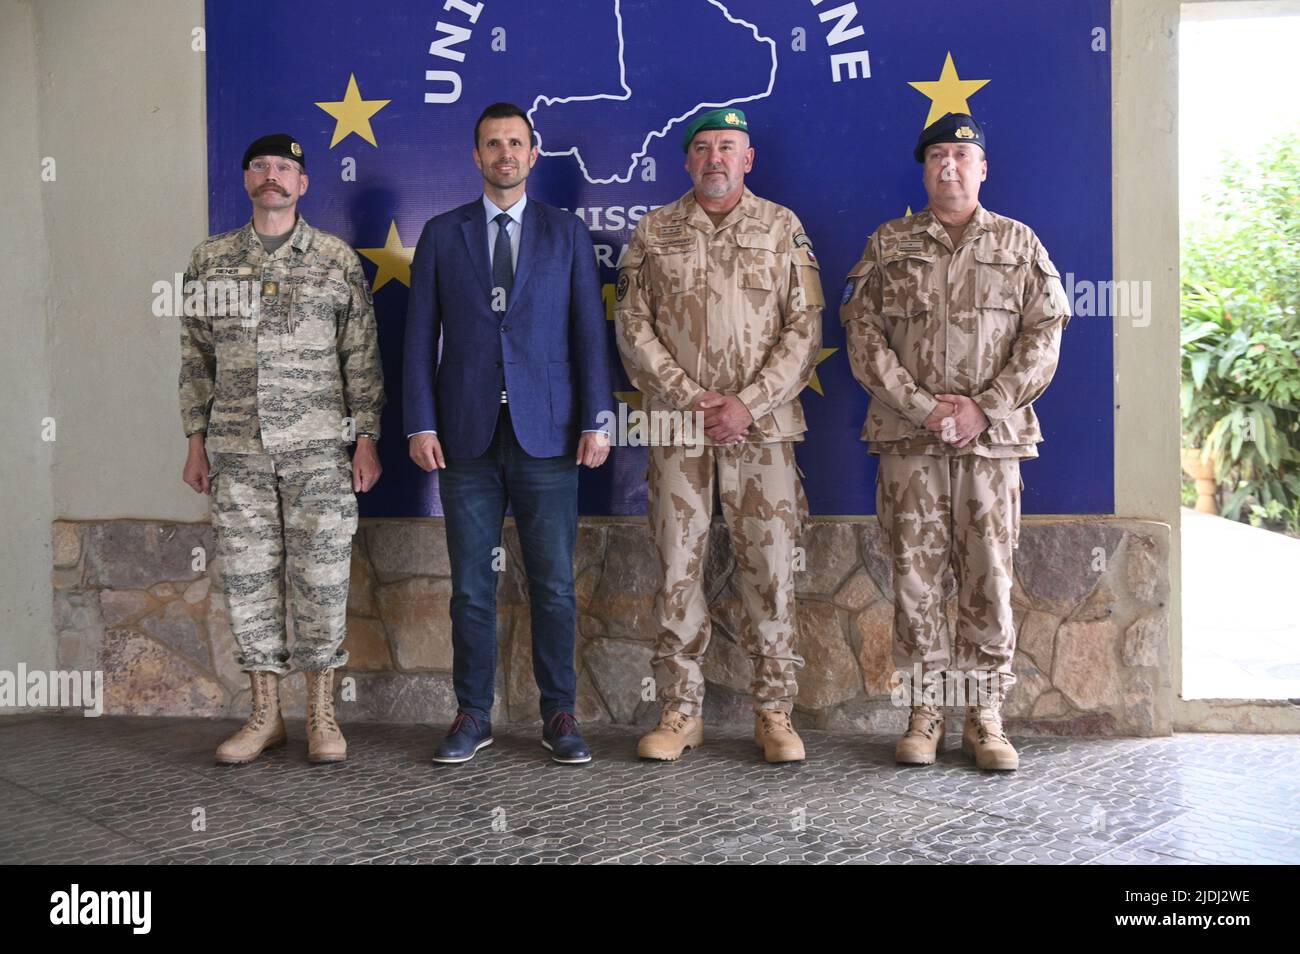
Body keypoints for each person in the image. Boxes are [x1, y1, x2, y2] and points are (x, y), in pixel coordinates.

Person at [840, 113, 1071, 771]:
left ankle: (984, 716)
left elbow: (1043, 337)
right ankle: (925, 712)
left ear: (983, 169)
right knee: (914, 576)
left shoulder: (1020, 244)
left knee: (989, 575)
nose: (949, 168)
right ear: (923, 169)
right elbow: (864, 339)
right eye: (937, 157)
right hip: (910, 445)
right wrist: (920, 408)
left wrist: (984, 409)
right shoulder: (889, 244)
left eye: (962, 158)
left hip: (990, 445)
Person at [404, 102, 613, 765]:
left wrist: (597, 419)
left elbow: (589, 335)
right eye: (492, 143)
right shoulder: (442, 233)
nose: (504, 153)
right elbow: (416, 339)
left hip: (548, 436)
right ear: (476, 156)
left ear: (533, 152)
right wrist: (420, 420)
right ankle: (472, 713)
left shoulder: (566, 233)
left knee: (552, 586)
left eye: (515, 143)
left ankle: (559, 714)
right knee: (470, 588)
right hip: (465, 437)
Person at [615, 108, 823, 764]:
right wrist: (692, 398)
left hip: (761, 431)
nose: (714, 159)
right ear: (686, 161)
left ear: (748, 158)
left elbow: (805, 328)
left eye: (727, 148)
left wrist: (748, 403)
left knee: (770, 564)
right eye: (702, 148)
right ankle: (680, 710)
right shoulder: (654, 231)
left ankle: (774, 710)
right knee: (678, 564)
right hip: (680, 428)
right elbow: (633, 326)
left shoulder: (782, 228)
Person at [179, 132, 385, 765]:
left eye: (285, 169)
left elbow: (361, 356)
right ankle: (264, 716)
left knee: (321, 582)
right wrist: (195, 441)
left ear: (303, 183)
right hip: (237, 451)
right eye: (262, 167)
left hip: (320, 453)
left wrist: (367, 437)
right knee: (247, 581)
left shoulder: (334, 259)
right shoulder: (210, 261)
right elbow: (195, 358)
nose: (273, 176)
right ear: (246, 179)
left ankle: (321, 715)